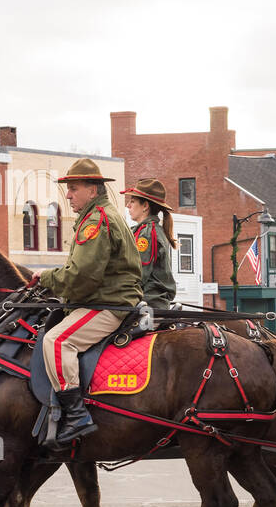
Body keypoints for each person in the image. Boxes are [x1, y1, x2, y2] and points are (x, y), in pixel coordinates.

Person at [29, 158, 142, 445]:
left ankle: (77, 416)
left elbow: (82, 277)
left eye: (74, 189)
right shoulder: (102, 215)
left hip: (108, 304)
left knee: (56, 341)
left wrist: (46, 279)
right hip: (108, 298)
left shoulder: (96, 221)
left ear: (93, 190)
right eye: (68, 189)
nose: (68, 196)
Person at [121, 178, 178, 309]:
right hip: (146, 300)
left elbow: (137, 274)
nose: (128, 205)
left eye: (133, 201)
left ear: (145, 206)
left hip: (149, 303)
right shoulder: (143, 230)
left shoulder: (147, 233)